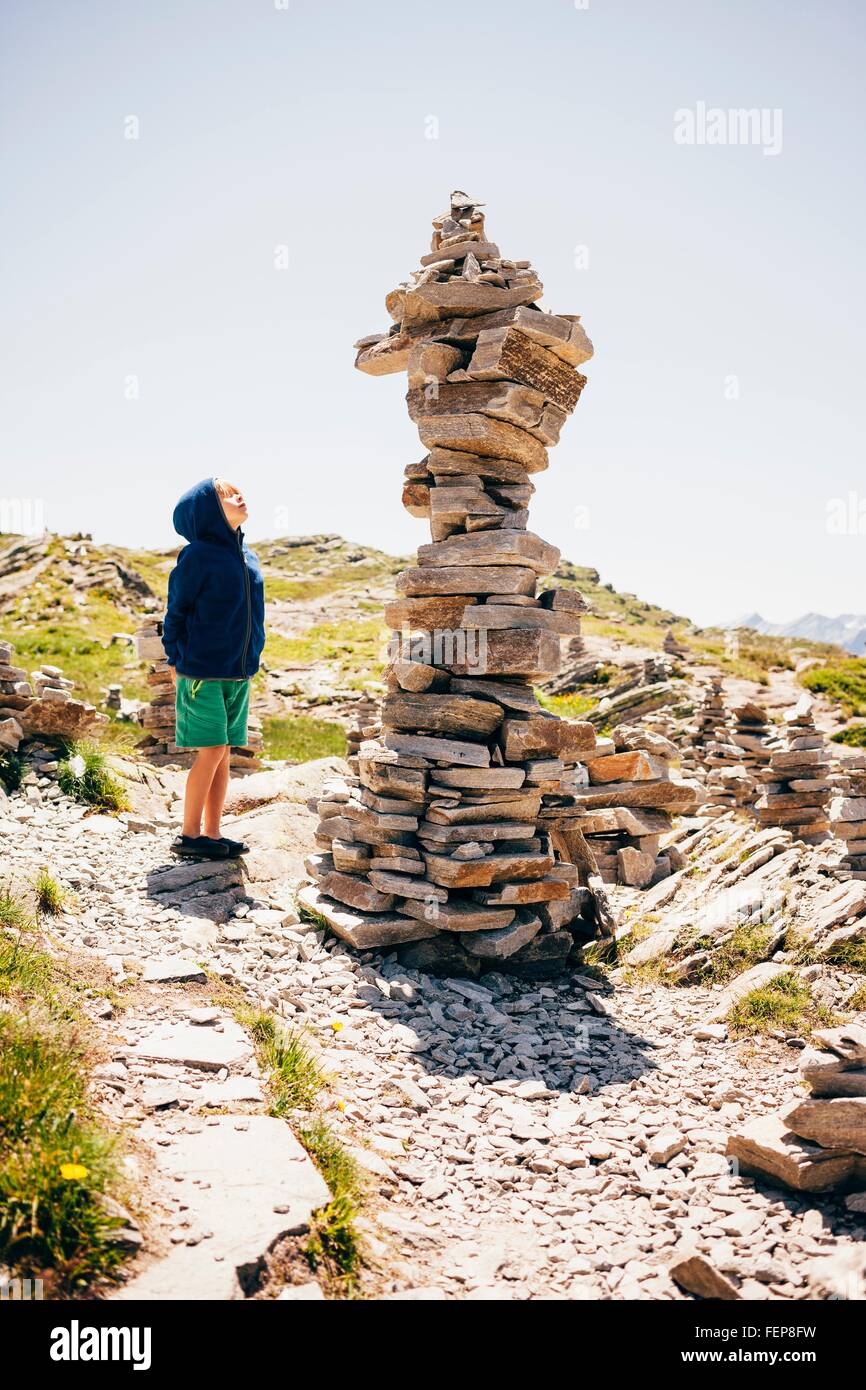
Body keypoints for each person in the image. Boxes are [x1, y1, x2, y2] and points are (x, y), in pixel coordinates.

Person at [161, 477, 265, 858]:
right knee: (212, 749)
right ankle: (189, 835)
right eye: (227, 495)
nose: (240, 495)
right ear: (208, 511)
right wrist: (174, 657)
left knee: (223, 752)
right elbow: (177, 612)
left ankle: (213, 832)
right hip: (201, 672)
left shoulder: (247, 555)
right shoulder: (198, 555)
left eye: (239, 490)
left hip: (238, 673)